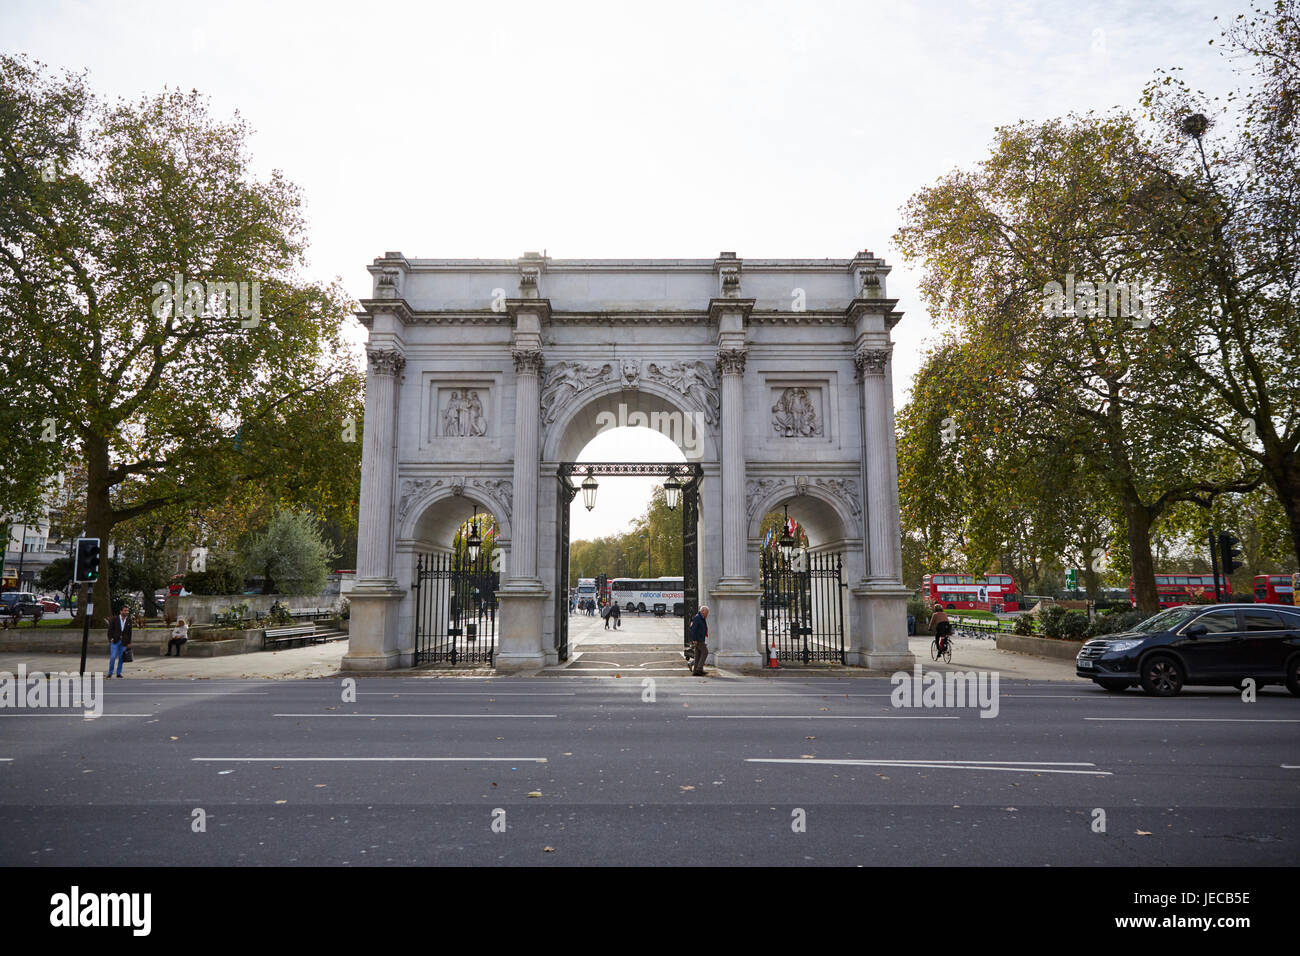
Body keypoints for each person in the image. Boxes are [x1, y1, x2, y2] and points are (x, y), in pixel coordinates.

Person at [107, 603, 132, 678]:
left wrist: (129, 642)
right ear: (121, 611)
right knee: (113, 657)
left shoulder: (129, 620)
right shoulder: (114, 619)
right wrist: (110, 638)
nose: (126, 612)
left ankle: (118, 673)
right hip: (115, 641)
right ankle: (110, 672)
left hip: (124, 642)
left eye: (127, 611)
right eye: (125, 611)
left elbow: (130, 632)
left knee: (121, 657)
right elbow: (110, 630)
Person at [689, 605, 710, 676]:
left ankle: (695, 671)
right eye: (707, 612)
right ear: (703, 611)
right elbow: (693, 629)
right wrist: (694, 639)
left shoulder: (701, 618)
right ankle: (699, 669)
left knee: (698, 654)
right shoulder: (697, 618)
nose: (707, 614)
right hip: (698, 639)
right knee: (705, 652)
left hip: (700, 639)